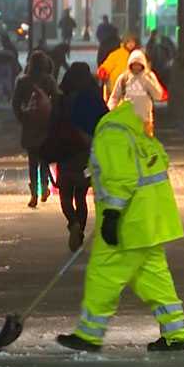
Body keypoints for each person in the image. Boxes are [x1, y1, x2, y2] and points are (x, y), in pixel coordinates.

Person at [56, 100, 184, 353]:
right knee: (153, 276)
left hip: (130, 222)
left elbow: (122, 177)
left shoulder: (111, 133)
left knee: (103, 274)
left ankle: (89, 334)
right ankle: (176, 333)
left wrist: (113, 215)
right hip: (151, 220)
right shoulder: (135, 133)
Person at [44, 62, 108, 251]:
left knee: (65, 195)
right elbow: (105, 119)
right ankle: (79, 229)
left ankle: (73, 223)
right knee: (81, 195)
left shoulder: (61, 99)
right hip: (86, 153)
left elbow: (51, 122)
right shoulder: (93, 97)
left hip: (65, 152)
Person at [12, 51, 59, 208]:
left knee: (32, 161)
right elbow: (58, 98)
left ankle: (33, 194)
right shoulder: (49, 80)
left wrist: (22, 117)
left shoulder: (23, 81)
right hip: (45, 124)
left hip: (30, 123)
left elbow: (15, 102)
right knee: (44, 157)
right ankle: (44, 187)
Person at [107, 50, 165, 136]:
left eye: (139, 64)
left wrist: (147, 81)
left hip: (145, 120)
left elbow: (158, 96)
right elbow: (115, 97)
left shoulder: (149, 76)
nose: (136, 67)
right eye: (134, 64)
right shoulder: (124, 78)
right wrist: (111, 110)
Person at [98, 34, 138, 99]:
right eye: (128, 42)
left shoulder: (138, 55)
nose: (131, 44)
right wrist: (103, 71)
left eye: (132, 42)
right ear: (124, 42)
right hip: (117, 90)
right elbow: (108, 64)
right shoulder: (117, 54)